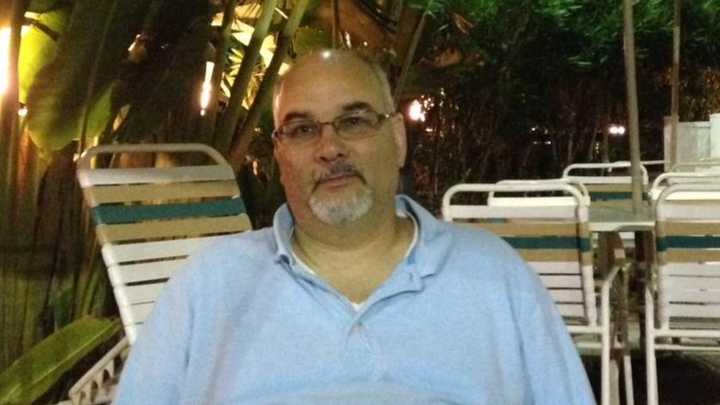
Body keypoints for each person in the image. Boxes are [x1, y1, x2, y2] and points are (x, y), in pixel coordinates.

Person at [113, 49, 596, 405]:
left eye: (355, 121)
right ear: (280, 155)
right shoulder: (210, 284)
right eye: (303, 130)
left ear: (398, 139)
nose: (330, 148)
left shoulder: (495, 276)